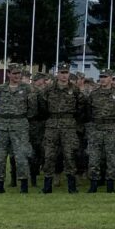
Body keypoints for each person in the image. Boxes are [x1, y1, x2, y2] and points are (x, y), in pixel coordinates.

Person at [0, 64, 34, 194]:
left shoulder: (27, 88)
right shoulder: (1, 89)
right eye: (14, 73)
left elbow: (32, 108)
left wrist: (21, 118)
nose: (17, 76)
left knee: (21, 156)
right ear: (8, 74)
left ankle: (24, 185)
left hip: (20, 126)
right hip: (2, 126)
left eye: (18, 73)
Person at [40, 65, 82, 194]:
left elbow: (81, 107)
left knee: (70, 155)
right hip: (52, 125)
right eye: (62, 72)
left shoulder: (74, 89)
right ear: (57, 74)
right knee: (49, 155)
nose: (64, 75)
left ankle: (72, 187)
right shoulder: (48, 89)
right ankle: (47, 187)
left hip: (69, 126)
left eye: (66, 72)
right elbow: (42, 106)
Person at [84, 69, 115, 193]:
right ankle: (93, 184)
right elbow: (89, 111)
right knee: (94, 158)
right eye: (101, 76)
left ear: (110, 78)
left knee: (111, 157)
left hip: (112, 128)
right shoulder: (94, 94)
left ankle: (110, 185)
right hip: (96, 129)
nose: (103, 79)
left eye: (105, 76)